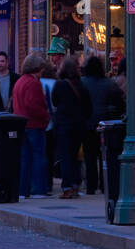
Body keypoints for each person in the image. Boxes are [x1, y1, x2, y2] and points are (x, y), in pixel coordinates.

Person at [80, 54, 124, 194]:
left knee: (90, 156)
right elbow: (119, 101)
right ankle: (105, 185)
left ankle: (91, 186)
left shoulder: (82, 82)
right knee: (104, 155)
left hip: (87, 123)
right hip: (105, 124)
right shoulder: (109, 84)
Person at [12, 53, 51, 198]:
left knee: (25, 158)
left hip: (21, 124)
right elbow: (33, 105)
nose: (42, 71)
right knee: (38, 157)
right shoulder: (33, 83)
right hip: (34, 124)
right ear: (37, 68)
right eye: (41, 68)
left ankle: (23, 190)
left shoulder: (20, 81)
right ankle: (38, 189)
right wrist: (46, 116)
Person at [52, 58, 92, 198]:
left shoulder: (59, 84)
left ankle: (67, 187)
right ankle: (75, 185)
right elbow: (88, 108)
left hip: (64, 125)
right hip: (79, 125)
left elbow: (54, 101)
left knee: (65, 156)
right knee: (75, 156)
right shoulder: (81, 85)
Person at [39, 59, 59, 192]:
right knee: (50, 154)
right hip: (51, 122)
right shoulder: (54, 83)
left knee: (39, 154)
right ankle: (48, 182)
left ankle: (41, 181)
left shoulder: (37, 82)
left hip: (39, 122)